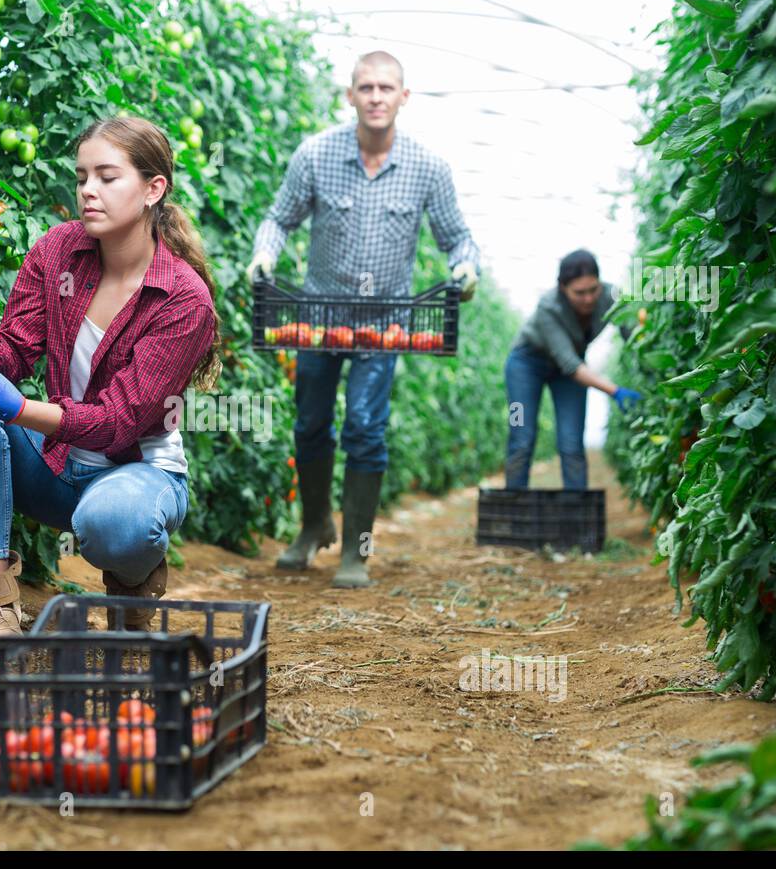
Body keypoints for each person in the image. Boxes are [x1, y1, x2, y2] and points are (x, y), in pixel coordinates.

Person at [0, 116, 220, 636]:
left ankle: (133, 578)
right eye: (82, 176)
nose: (89, 190)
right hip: (55, 468)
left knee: (113, 522)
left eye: (108, 178)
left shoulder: (181, 300)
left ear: (154, 189)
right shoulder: (58, 251)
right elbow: (15, 351)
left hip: (135, 477)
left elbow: (118, 423)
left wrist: (19, 409)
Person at [247, 50, 480, 588]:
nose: (376, 97)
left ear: (404, 97)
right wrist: (265, 254)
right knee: (309, 424)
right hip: (320, 314)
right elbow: (279, 219)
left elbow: (457, 237)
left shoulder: (427, 167)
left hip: (385, 321)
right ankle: (313, 528)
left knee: (366, 429)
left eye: (386, 88)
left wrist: (465, 267)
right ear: (350, 96)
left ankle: (356, 550)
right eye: (366, 88)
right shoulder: (315, 155)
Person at [504, 249, 640, 489]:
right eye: (579, 293)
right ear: (562, 288)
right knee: (520, 434)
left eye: (593, 290)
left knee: (572, 443)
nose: (588, 299)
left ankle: (577, 514)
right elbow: (570, 365)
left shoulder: (611, 297)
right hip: (524, 366)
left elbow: (633, 333)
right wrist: (615, 391)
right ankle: (514, 508)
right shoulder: (548, 306)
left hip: (570, 371)